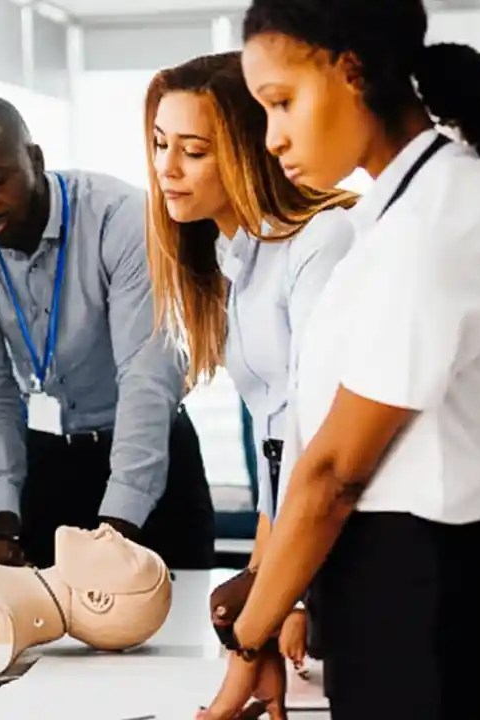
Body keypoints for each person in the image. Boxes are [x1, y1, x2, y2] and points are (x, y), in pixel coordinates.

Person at [201, 1, 480, 718]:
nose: (271, 137)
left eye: (282, 103)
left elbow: (333, 474)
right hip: (393, 591)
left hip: (428, 601)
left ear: (351, 70)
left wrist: (249, 640)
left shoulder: (432, 223)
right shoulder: (395, 215)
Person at [0, 96, 216, 571]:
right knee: (2, 602)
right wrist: (1, 525)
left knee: (170, 614)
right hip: (37, 458)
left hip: (144, 453)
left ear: (35, 160)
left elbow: (146, 377)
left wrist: (115, 531)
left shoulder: (122, 218)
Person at [144, 50, 358, 668]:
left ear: (248, 149)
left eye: (193, 150)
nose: (167, 168)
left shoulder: (321, 241)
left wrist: (284, 595)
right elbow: (275, 446)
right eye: (160, 144)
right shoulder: (236, 256)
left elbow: (322, 443)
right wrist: (262, 583)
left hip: (349, 537)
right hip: (301, 538)